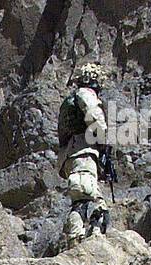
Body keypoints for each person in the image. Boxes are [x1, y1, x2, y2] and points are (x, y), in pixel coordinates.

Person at [58, 62, 111, 247]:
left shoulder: (72, 99)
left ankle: (93, 238)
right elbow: (94, 116)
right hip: (81, 151)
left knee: (97, 203)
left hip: (73, 154)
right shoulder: (85, 94)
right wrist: (104, 141)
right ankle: (76, 242)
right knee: (82, 196)